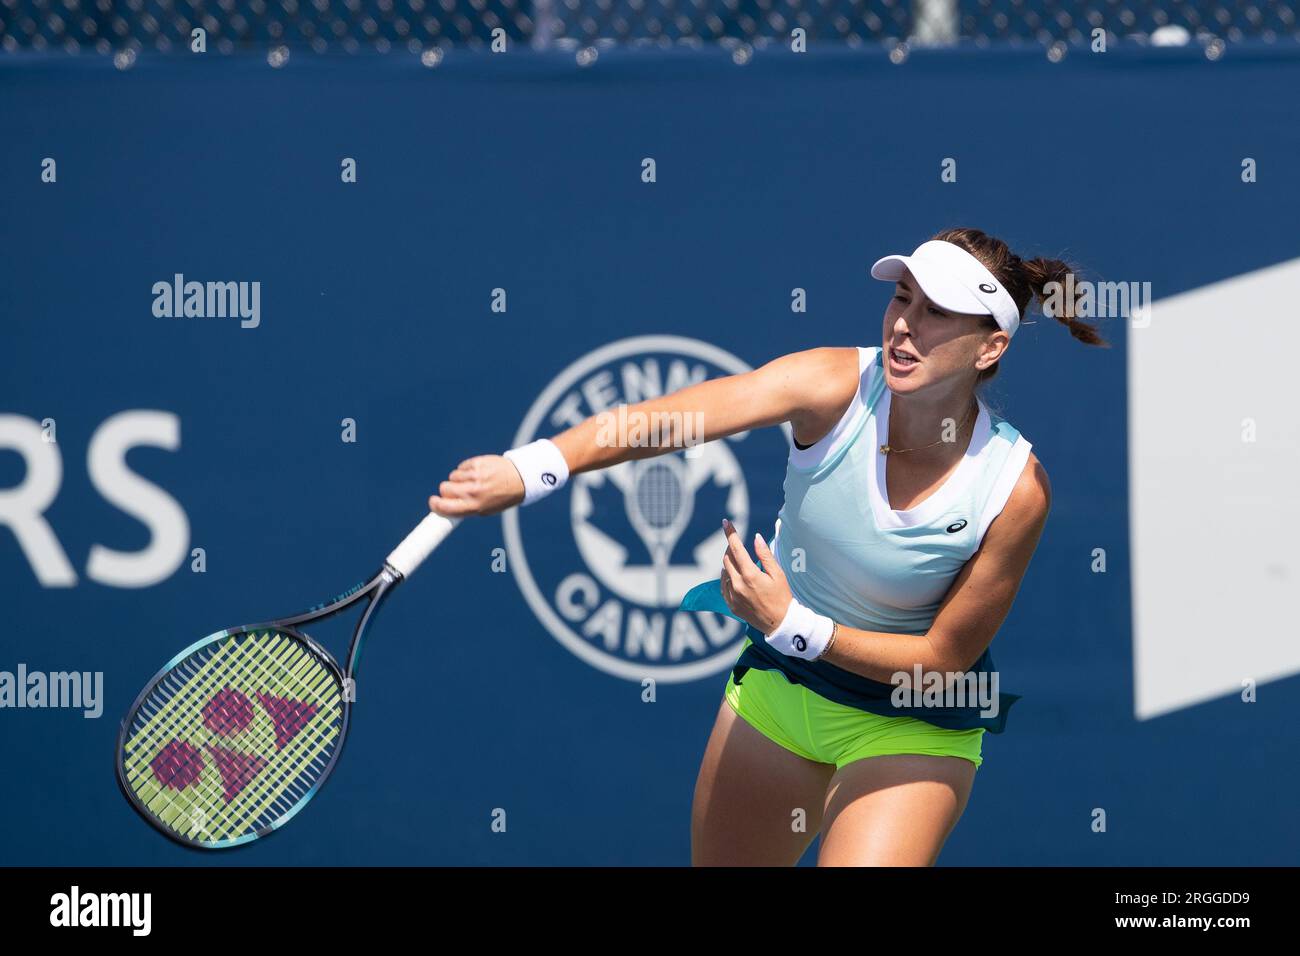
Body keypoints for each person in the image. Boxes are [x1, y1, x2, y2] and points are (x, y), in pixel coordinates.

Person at [427, 227, 1106, 866]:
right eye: (902, 298)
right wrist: (533, 466)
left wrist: (794, 624)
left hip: (912, 722)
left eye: (938, 313)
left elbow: (942, 660)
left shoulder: (1016, 490)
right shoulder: (830, 384)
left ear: (990, 347)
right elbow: (669, 420)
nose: (905, 325)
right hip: (780, 693)